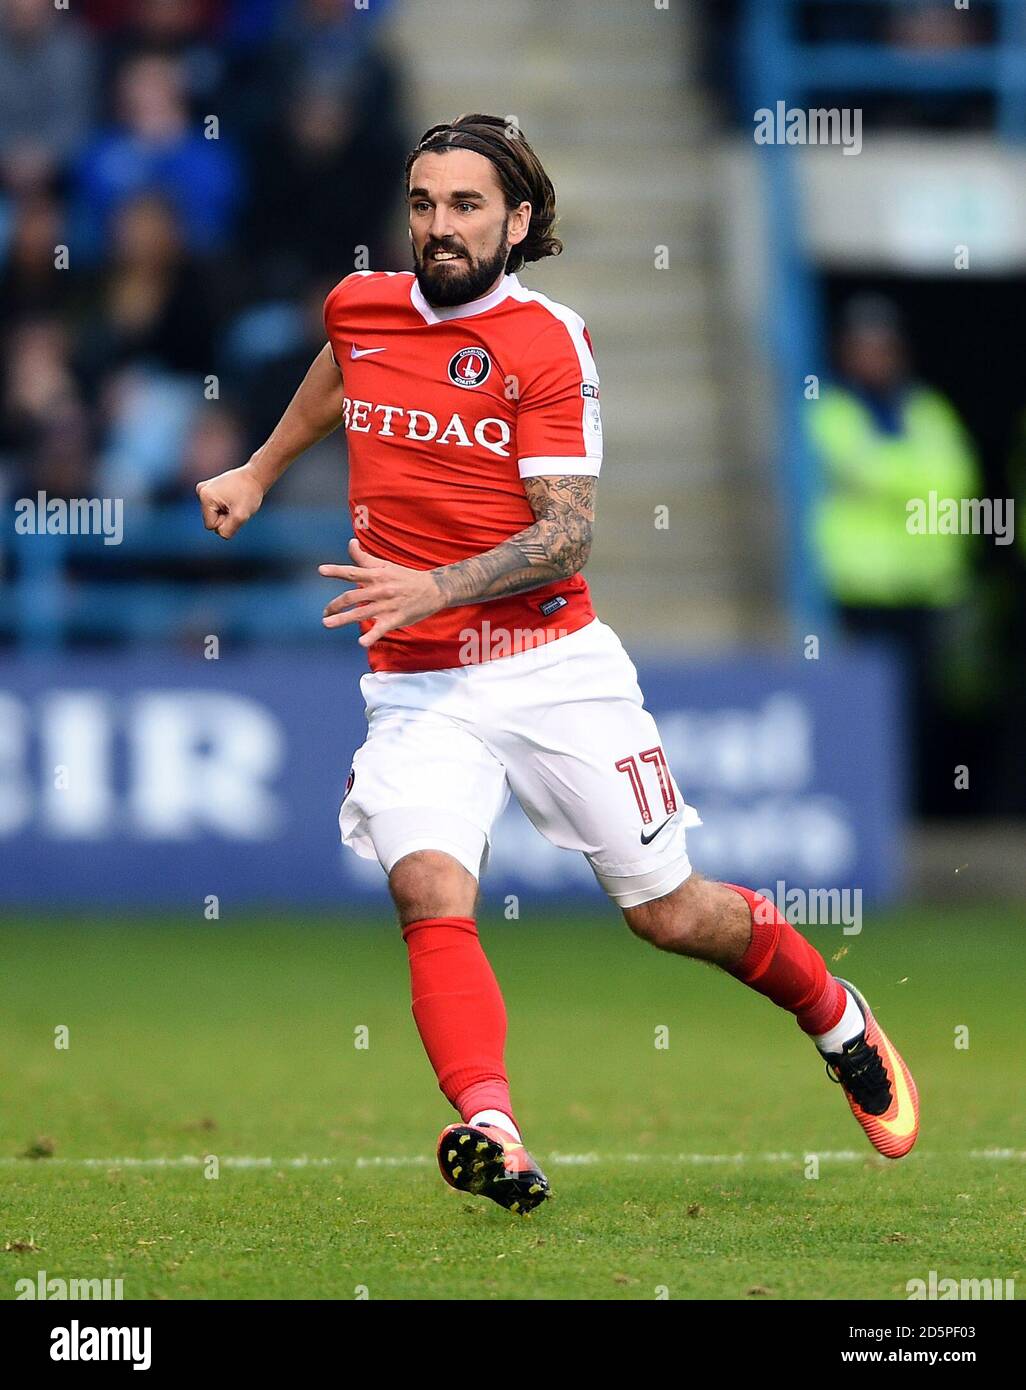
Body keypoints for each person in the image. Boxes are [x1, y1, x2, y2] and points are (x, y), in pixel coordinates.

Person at [195, 115, 919, 1215]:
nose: (439, 227)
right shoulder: (361, 305)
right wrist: (257, 468)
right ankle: (493, 1126)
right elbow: (341, 372)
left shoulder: (546, 342)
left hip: (550, 667)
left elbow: (567, 535)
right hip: (418, 683)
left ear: (518, 218)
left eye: (466, 205)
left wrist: (434, 585)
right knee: (428, 888)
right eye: (424, 204)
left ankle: (836, 1016)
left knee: (669, 912)